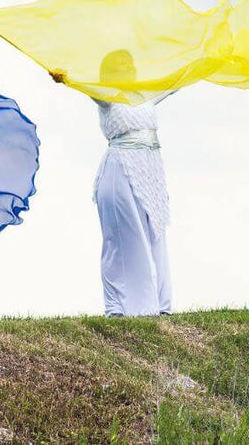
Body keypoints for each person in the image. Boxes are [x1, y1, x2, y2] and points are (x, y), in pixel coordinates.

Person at [60, 50, 178, 317]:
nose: (130, 68)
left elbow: (173, 85)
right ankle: (123, 309)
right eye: (123, 65)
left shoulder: (145, 96)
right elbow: (86, 88)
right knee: (124, 237)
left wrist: (203, 61)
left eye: (131, 64)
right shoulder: (108, 98)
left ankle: (161, 307)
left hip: (150, 170)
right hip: (121, 168)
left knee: (155, 232)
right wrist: (66, 78)